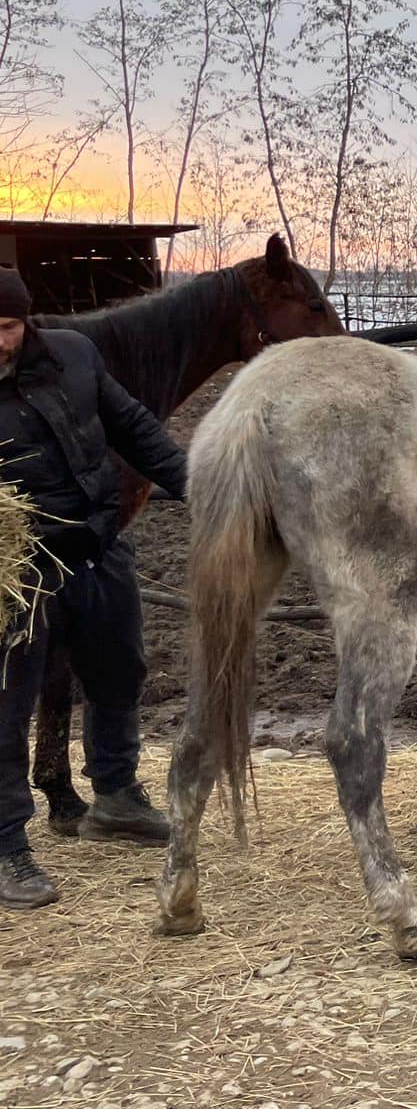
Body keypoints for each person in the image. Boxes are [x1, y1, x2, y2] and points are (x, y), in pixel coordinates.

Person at [0, 266, 189, 910]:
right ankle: (7, 844)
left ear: (27, 320)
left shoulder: (75, 356)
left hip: (97, 542)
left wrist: (201, 486)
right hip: (18, 567)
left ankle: (115, 795)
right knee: (8, 702)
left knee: (119, 670)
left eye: (5, 326)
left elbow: (134, 427)